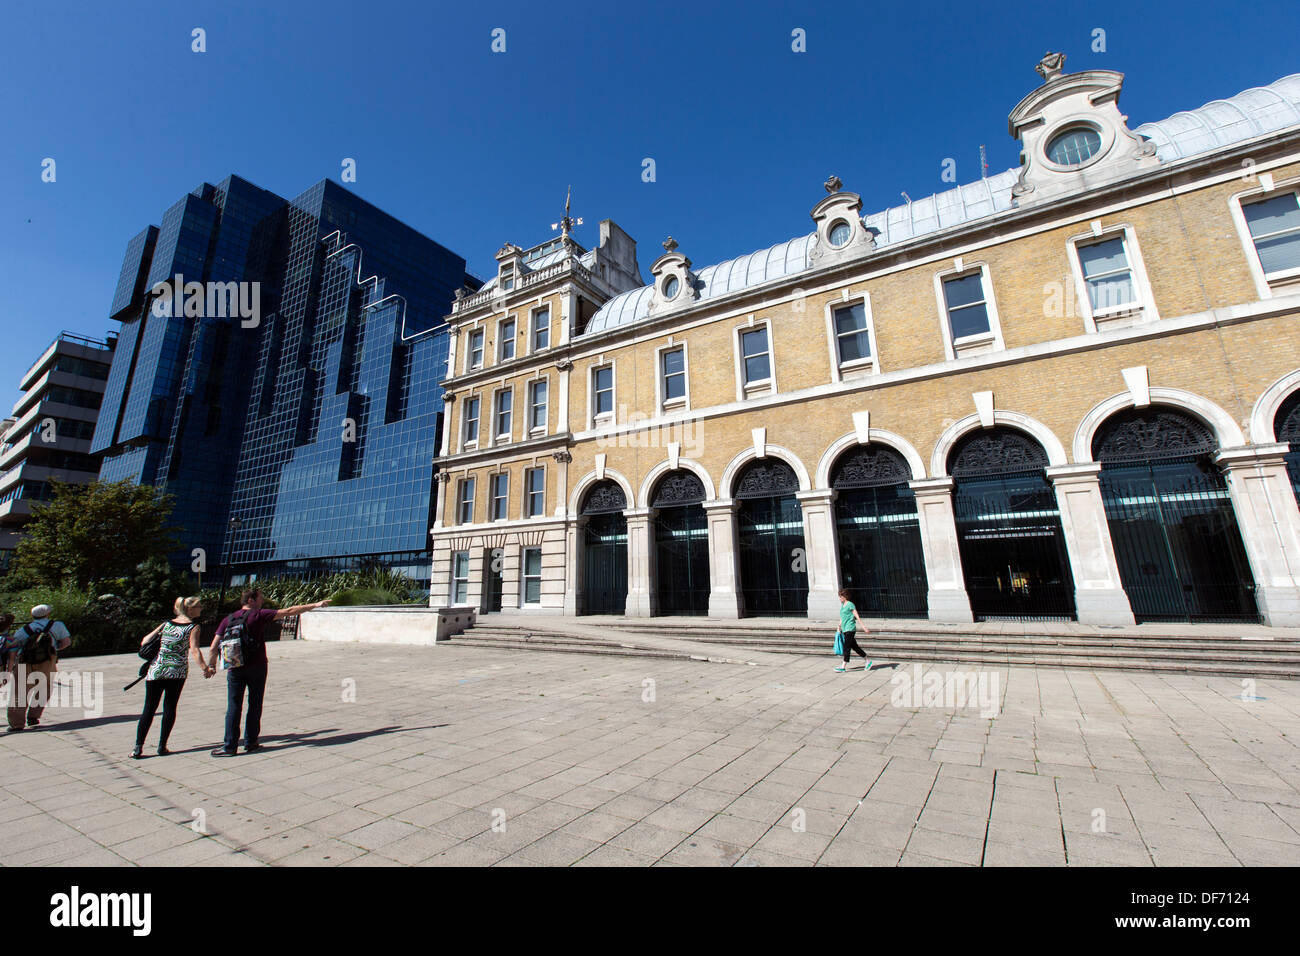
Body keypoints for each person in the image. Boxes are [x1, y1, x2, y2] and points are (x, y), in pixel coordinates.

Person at [206, 588, 329, 757]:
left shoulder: (228, 619)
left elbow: (213, 646)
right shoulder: (258, 615)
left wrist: (211, 666)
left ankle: (229, 746)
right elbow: (290, 611)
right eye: (259, 598)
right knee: (255, 704)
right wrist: (315, 604)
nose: (262, 601)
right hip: (257, 666)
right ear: (251, 600)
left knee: (234, 706)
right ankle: (251, 742)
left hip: (235, 667)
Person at [131, 596, 213, 759]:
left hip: (156, 669)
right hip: (176, 671)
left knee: (149, 708)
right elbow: (194, 650)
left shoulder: (166, 624)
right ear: (190, 609)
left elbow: (145, 640)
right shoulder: (193, 627)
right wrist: (205, 668)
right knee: (169, 707)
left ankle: (138, 747)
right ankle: (162, 746)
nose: (201, 608)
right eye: (198, 606)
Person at [5, 604, 72, 731]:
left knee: (20, 692)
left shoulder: (25, 629)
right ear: (47, 614)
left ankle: (16, 723)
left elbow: (14, 643)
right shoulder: (57, 625)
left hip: (25, 661)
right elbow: (66, 642)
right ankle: (33, 716)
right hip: (48, 660)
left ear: (33, 615)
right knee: (44, 688)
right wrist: (53, 649)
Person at [835, 589, 871, 673]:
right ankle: (867, 660)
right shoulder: (843, 605)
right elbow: (842, 617)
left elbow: (857, 616)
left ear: (845, 597)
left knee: (846, 647)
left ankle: (843, 666)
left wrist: (864, 627)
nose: (839, 598)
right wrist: (839, 626)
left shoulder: (850, 604)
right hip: (844, 629)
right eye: (839, 597)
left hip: (850, 628)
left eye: (841, 597)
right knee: (855, 647)